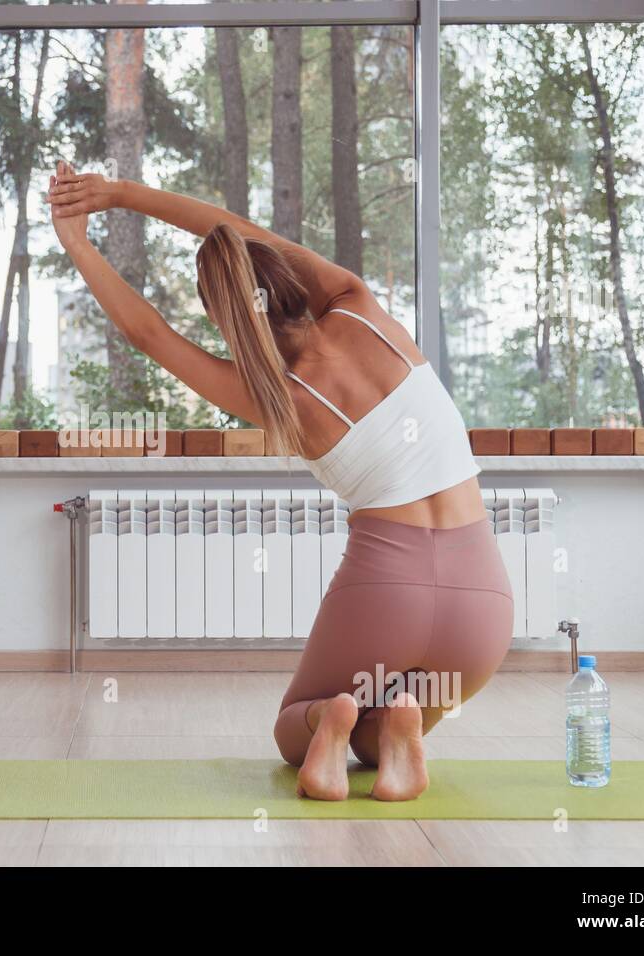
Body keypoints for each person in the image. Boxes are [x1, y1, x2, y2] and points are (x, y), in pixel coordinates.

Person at [47, 162, 513, 801]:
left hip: (389, 587)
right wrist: (121, 194)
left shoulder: (274, 397)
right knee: (386, 729)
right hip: (484, 603)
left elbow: (147, 333)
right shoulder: (359, 306)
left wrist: (76, 239)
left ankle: (330, 719)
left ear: (227, 319)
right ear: (284, 278)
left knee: (295, 732)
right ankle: (403, 718)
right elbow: (236, 231)